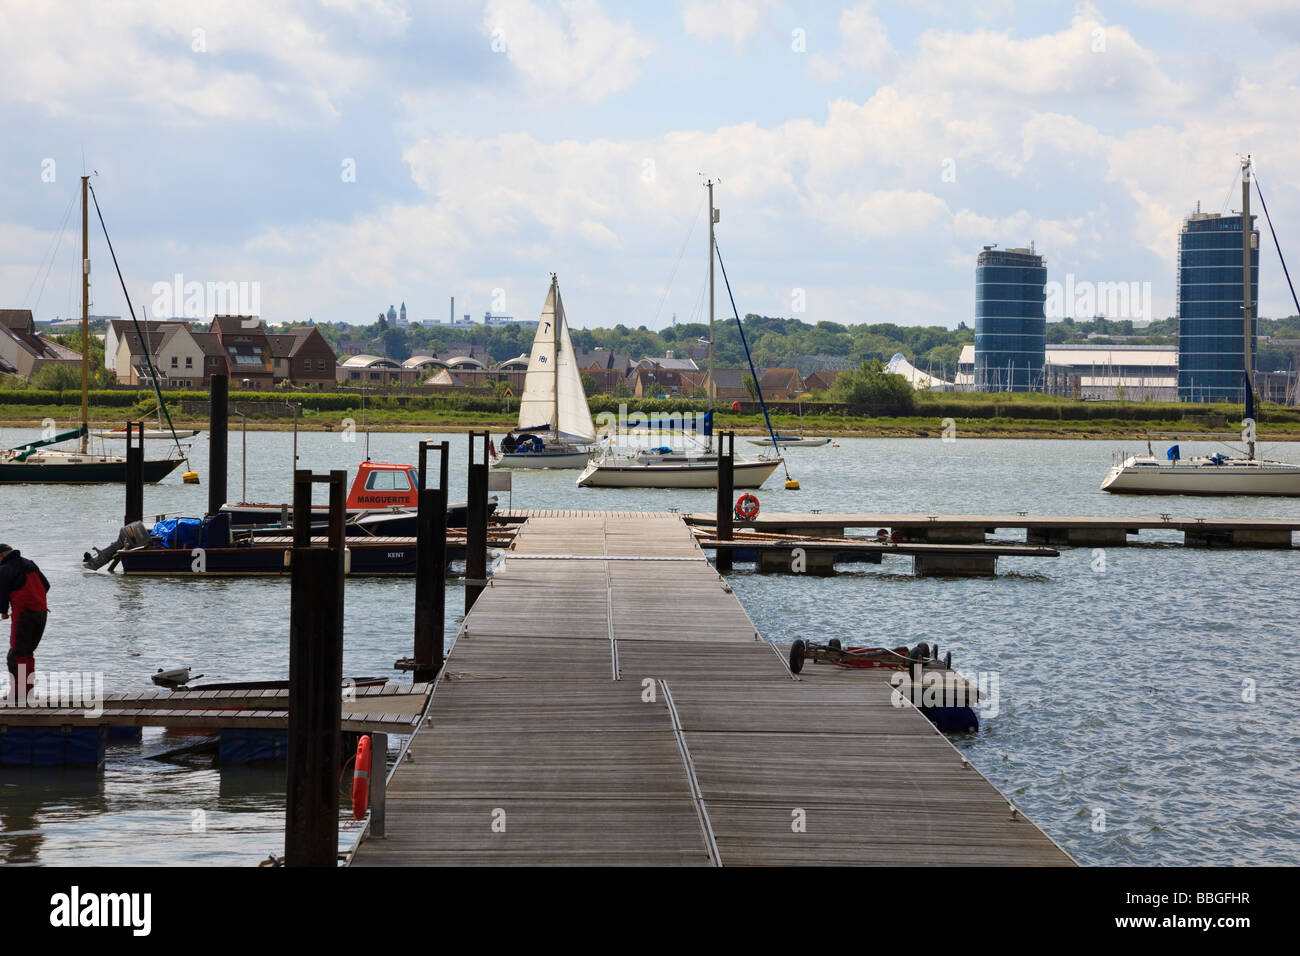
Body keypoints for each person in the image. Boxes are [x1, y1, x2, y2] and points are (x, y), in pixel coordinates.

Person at [0, 544, 50, 703]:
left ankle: (17, 695)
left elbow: (1, 591)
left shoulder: (4, 568)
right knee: (27, 653)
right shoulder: (30, 563)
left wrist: (3, 610)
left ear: (1, 556)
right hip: (41, 612)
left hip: (24, 613)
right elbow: (46, 585)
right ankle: (27, 693)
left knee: (15, 655)